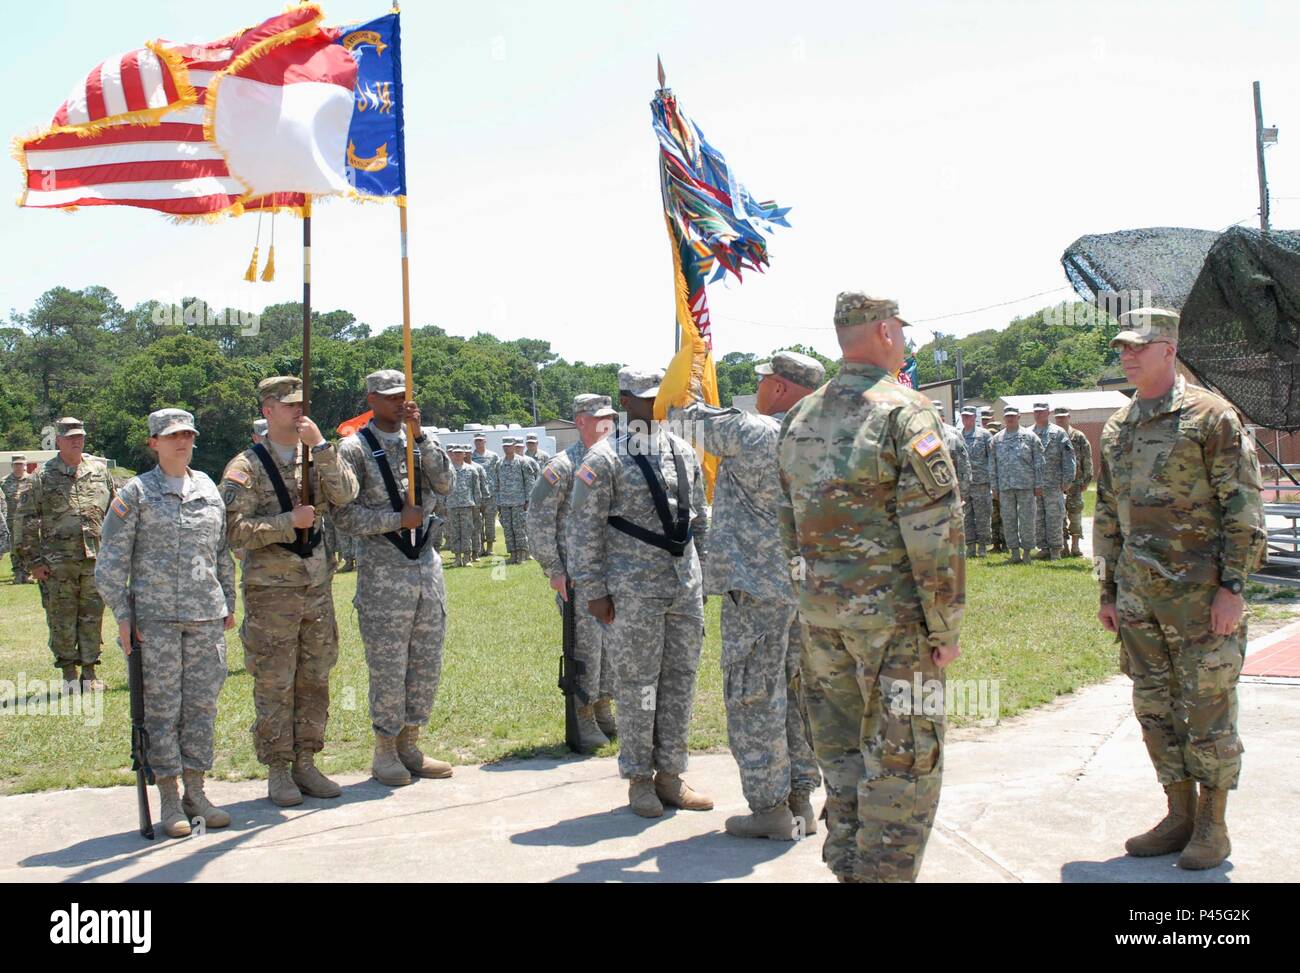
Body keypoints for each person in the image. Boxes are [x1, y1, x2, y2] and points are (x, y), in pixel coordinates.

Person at [778, 292, 964, 883]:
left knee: (842, 758)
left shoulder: (800, 415)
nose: (904, 339)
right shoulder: (904, 412)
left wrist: (811, 599)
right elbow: (935, 531)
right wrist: (945, 627)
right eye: (901, 331)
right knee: (904, 761)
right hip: (897, 626)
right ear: (884, 331)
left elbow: (787, 528)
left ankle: (850, 870)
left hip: (822, 622)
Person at [1096, 308, 1266, 871]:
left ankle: (1213, 825)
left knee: (1207, 708)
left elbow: (1243, 507)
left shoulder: (1211, 417)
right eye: (1122, 348)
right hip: (1139, 598)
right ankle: (1179, 814)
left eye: (1138, 347)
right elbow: (1107, 513)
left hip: (1201, 597)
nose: (1127, 356)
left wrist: (1234, 588)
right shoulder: (1120, 426)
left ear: (1168, 350)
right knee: (1155, 708)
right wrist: (1108, 591)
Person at [672, 351, 825, 840]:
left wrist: (691, 379)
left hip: (756, 591)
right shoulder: (828, 437)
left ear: (779, 388)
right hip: (805, 591)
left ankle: (770, 810)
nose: (757, 389)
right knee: (796, 693)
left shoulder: (759, 431)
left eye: (762, 381)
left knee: (753, 696)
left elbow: (681, 418)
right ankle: (800, 796)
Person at [568, 367, 713, 818]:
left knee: (679, 682)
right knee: (637, 686)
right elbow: (583, 529)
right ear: (625, 402)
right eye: (643, 398)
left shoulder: (683, 451)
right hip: (631, 593)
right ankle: (638, 779)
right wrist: (593, 590)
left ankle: (671, 775)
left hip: (683, 588)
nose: (653, 406)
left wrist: (703, 574)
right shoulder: (603, 459)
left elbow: (700, 519)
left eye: (659, 396)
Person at [94, 409, 237, 838]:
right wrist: (123, 613)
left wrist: (228, 600)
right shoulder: (135, 492)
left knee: (201, 709)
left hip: (205, 618)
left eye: (188, 435)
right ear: (154, 442)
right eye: (173, 436)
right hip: (154, 622)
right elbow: (110, 561)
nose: (182, 442)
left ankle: (198, 792)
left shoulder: (209, 488)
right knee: (161, 711)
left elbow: (222, 553)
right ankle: (170, 799)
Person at [220, 376, 359, 807]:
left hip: (316, 586)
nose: (299, 410)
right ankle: (278, 768)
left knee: (315, 675)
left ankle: (307, 760)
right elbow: (232, 530)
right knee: (275, 679)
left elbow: (347, 495)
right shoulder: (245, 466)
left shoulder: (314, 456)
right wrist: (286, 523)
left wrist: (322, 448)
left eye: (302, 403)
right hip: (270, 592)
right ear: (268, 411)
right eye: (289, 405)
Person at [334, 370, 455, 786]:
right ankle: (385, 749)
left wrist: (420, 437)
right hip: (385, 575)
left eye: (403, 395)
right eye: (388, 397)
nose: (398, 403)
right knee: (388, 667)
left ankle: (411, 744)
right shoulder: (352, 449)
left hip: (426, 569)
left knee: (425, 662)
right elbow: (343, 515)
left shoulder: (419, 440)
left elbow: (446, 483)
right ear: (371, 398)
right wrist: (393, 520)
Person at [527, 394, 620, 751]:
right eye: (598, 418)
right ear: (579, 421)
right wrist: (554, 569)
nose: (605, 424)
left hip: (612, 573)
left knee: (609, 647)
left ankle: (603, 707)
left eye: (609, 417)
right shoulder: (562, 466)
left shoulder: (615, 460)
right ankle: (582, 713)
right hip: (577, 576)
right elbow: (537, 517)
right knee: (585, 648)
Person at [16, 418, 116, 690]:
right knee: (61, 618)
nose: (76, 441)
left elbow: (115, 514)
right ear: (58, 441)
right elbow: (25, 521)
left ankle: (90, 674)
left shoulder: (99, 470)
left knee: (92, 617)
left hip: (95, 560)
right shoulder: (42, 476)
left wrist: (116, 555)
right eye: (70, 437)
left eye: (80, 436)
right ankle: (69, 675)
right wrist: (34, 562)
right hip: (57, 564)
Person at [989, 406, 1044, 563]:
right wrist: (994, 487)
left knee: (1027, 519)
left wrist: (1038, 484)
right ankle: (1014, 553)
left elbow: (1039, 462)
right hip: (1005, 487)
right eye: (1007, 416)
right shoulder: (997, 439)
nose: (1010, 418)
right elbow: (992, 465)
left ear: (1019, 417)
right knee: (1008, 520)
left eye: (1013, 416)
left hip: (1026, 485)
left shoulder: (1030, 437)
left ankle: (1027, 552)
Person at [1031, 401, 1075, 560]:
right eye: (1036, 412)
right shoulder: (1029, 433)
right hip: (1035, 485)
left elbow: (1068, 457)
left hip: (1053, 483)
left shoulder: (1058, 433)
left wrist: (1068, 479)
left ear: (1048, 413)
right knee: (1038, 518)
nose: (1038, 414)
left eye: (1041, 412)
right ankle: (1043, 548)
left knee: (1054, 517)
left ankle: (1056, 550)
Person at [1056, 406, 1093, 557]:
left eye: (1063, 417)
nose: (1060, 419)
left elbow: (1087, 458)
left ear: (1069, 417)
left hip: (1076, 483)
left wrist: (1087, 479)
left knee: (1075, 514)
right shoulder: (1054, 436)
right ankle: (1063, 546)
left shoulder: (1078, 436)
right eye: (1058, 417)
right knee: (1059, 515)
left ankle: (1076, 546)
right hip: (1057, 484)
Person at [495, 437, 537, 564]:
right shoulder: (499, 463)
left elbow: (530, 482)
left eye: (509, 446)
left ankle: (522, 555)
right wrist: (498, 501)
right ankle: (512, 555)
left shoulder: (523, 462)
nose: (507, 448)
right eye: (505, 446)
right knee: (508, 530)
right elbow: (496, 484)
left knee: (519, 529)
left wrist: (528, 501)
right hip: (504, 503)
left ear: (514, 446)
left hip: (519, 503)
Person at [961, 407, 995, 557]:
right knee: (966, 516)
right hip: (964, 484)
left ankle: (982, 546)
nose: (965, 419)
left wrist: (993, 482)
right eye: (963, 416)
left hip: (981, 482)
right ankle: (970, 546)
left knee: (982, 516)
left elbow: (993, 459)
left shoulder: (985, 435)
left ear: (975, 417)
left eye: (968, 416)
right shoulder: (958, 435)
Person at [446, 446, 482, 567]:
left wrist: (478, 504)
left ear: (464, 455)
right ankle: (457, 558)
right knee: (454, 532)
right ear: (452, 455)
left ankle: (467, 558)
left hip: (467, 504)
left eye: (460, 453)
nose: (457, 455)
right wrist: (443, 504)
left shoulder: (471, 470)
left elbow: (476, 488)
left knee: (467, 531)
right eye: (455, 453)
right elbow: (443, 488)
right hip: (452, 504)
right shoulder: (448, 470)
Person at [2, 455, 32, 583]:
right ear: (12, 466)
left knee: (28, 547)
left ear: (25, 465)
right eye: (16, 464)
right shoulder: (4, 482)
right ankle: (18, 574)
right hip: (12, 521)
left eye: (21, 464)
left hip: (28, 520)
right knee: (14, 548)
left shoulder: (32, 480)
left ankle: (28, 573)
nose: (19, 467)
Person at [471, 433, 500, 557]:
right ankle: (480, 547)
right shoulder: (471, 456)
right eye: (476, 441)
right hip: (476, 494)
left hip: (491, 494)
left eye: (481, 440)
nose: (478, 443)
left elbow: (499, 473)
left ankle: (490, 547)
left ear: (485, 441)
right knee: (477, 522)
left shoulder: (493, 456)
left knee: (489, 522)